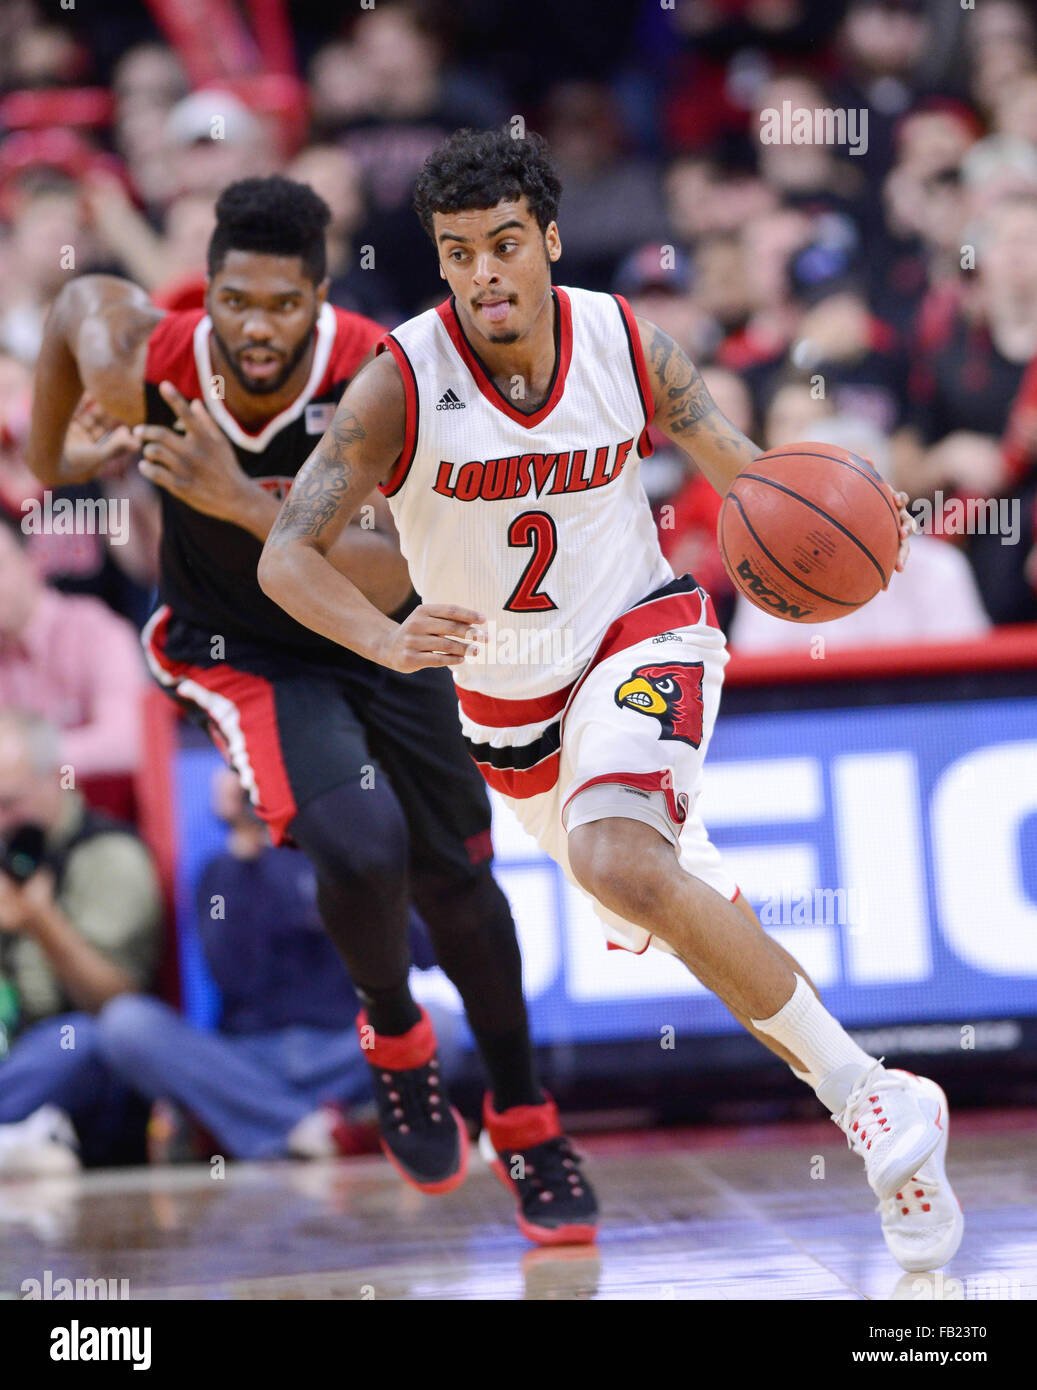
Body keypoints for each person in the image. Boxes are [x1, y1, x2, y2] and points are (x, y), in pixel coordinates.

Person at [257, 127, 962, 1275]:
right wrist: (385, 642)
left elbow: (750, 473)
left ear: (545, 239)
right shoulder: (399, 381)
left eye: (501, 244)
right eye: (456, 252)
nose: (482, 272)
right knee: (668, 898)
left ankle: (867, 1103)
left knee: (621, 858)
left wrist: (844, 527)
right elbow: (287, 557)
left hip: (644, 632)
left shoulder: (624, 341)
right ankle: (881, 1096)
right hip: (508, 716)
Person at [25, 175, 597, 1246]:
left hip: (382, 632)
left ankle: (525, 1120)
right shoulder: (141, 350)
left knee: (462, 891)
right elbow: (67, 315)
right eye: (236, 300)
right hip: (240, 650)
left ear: (320, 299)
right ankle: (393, 1036)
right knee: (359, 841)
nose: (255, 326)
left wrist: (238, 500)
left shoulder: (378, 373)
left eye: (281, 305)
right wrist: (67, 456)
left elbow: (390, 573)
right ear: (210, 291)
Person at [93, 769, 459, 1163]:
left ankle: (257, 1126)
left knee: (440, 1025)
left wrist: (373, 865)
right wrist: (241, 862)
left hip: (345, 1048)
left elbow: (425, 955)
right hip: (245, 1058)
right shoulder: (221, 872)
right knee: (126, 1024)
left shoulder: (351, 859)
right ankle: (322, 1128)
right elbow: (231, 975)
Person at [0, 710, 160, 1173]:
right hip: (13, 1050)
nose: (2, 821)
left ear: (54, 780)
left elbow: (116, 1003)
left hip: (75, 1058)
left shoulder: (110, 854)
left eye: (10, 803)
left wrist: (40, 922)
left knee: (83, 1040)